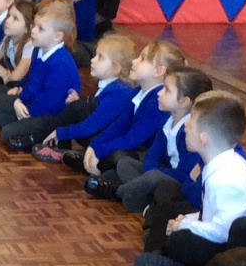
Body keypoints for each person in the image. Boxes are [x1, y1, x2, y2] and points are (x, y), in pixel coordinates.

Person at [134, 91, 246, 266]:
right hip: (221, 231)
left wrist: (184, 225)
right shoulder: (217, 164)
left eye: (190, 123)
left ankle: (171, 257)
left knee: (181, 240)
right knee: (169, 212)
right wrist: (186, 221)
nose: (185, 126)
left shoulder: (227, 178)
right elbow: (209, 214)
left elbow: (222, 232)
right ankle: (161, 253)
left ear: (203, 139)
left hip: (241, 247)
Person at [79, 39, 185, 188]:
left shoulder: (156, 103)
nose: (134, 61)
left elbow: (133, 140)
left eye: (142, 59)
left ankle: (107, 179)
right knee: (102, 140)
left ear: (159, 71)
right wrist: (95, 146)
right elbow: (119, 126)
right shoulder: (138, 93)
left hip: (145, 155)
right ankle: (98, 169)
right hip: (136, 149)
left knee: (120, 157)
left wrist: (100, 150)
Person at [106, 68, 211, 212]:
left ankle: (116, 191)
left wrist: (153, 174)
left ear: (184, 102)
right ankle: (142, 193)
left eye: (167, 90)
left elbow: (184, 174)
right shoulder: (166, 119)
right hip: (162, 173)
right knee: (125, 164)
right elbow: (153, 154)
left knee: (153, 178)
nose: (160, 93)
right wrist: (150, 172)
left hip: (179, 183)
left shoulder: (190, 132)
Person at [15, 34, 135, 157]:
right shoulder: (111, 87)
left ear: (115, 68)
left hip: (101, 141)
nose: (92, 60)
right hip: (95, 135)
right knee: (75, 107)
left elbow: (94, 124)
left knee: (77, 107)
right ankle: (58, 147)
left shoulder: (119, 92)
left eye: (100, 57)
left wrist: (60, 132)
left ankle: (39, 138)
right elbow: (94, 111)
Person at [0, 1, 81, 145]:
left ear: (57, 36)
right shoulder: (39, 51)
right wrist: (20, 100)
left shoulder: (60, 63)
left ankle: (41, 138)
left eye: (40, 29)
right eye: (34, 25)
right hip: (34, 105)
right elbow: (32, 83)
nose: (33, 31)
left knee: (7, 132)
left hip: (51, 115)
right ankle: (24, 129)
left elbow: (49, 100)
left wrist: (28, 111)